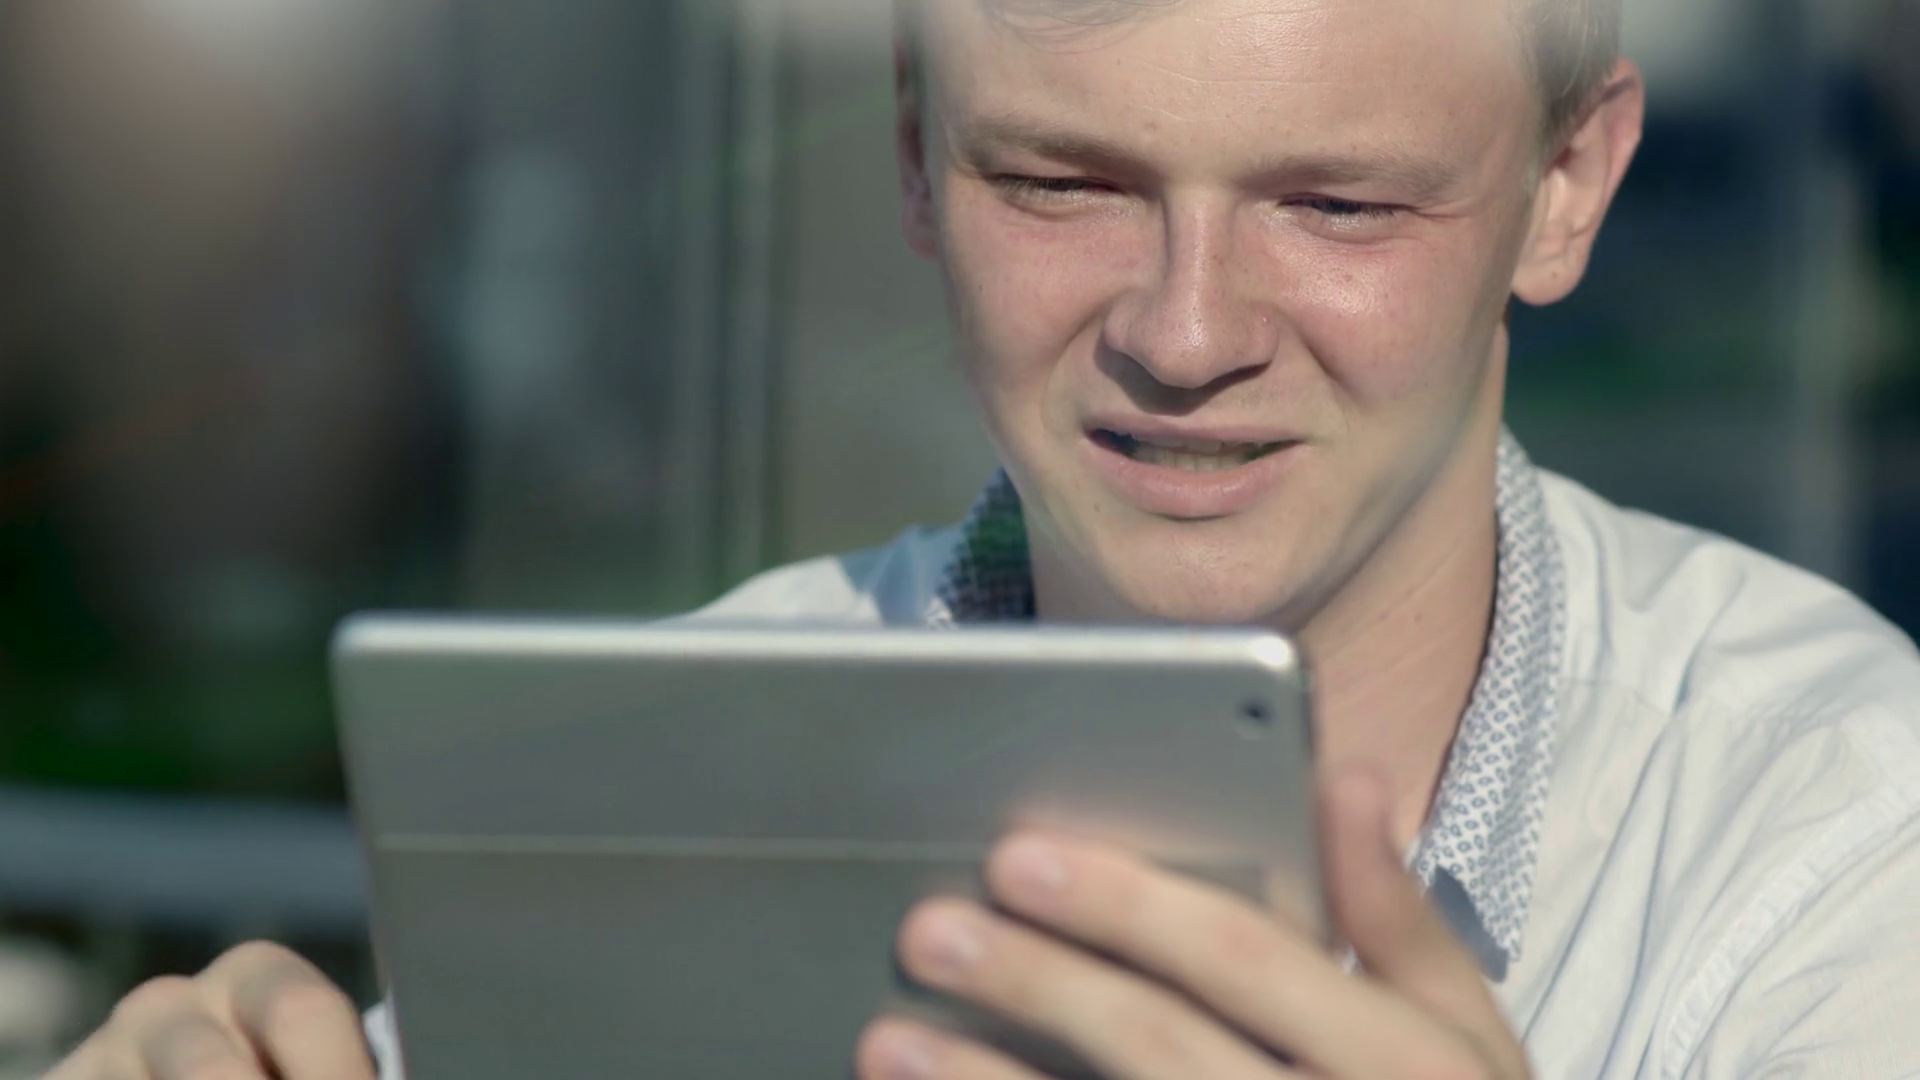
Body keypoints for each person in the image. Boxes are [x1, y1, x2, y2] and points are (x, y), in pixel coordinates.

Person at [49, 0, 1920, 1077]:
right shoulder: (699, 748)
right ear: (913, 157)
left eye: (1339, 205)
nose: (1187, 334)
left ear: (1568, 186)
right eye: (1060, 182)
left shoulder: (1829, 824)